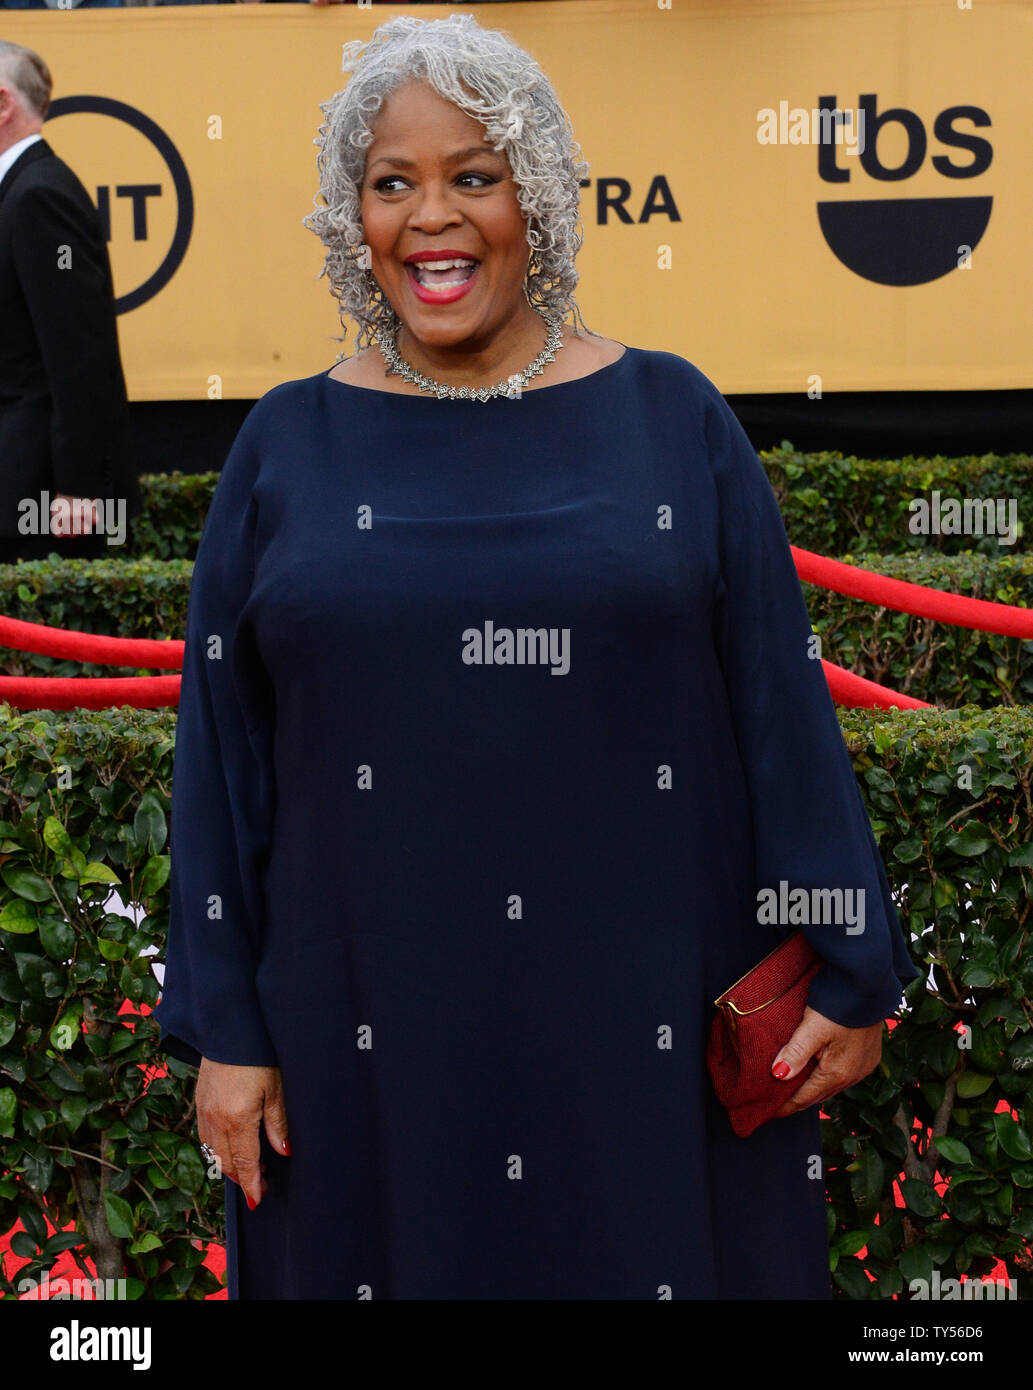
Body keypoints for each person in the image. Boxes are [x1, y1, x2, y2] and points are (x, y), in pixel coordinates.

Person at [154, 12, 918, 1299]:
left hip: (644, 1021)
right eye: (391, 183)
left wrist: (849, 955)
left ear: (543, 196)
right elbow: (218, 759)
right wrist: (224, 1025)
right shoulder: (285, 447)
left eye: (474, 175)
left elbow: (778, 708)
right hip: (364, 1029)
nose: (430, 218)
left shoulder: (674, 418)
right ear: (355, 216)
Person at [0, 42, 141, 559]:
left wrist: (79, 489)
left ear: (3, 104)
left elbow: (80, 353)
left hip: (35, 504)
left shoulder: (38, 197)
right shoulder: (21, 191)